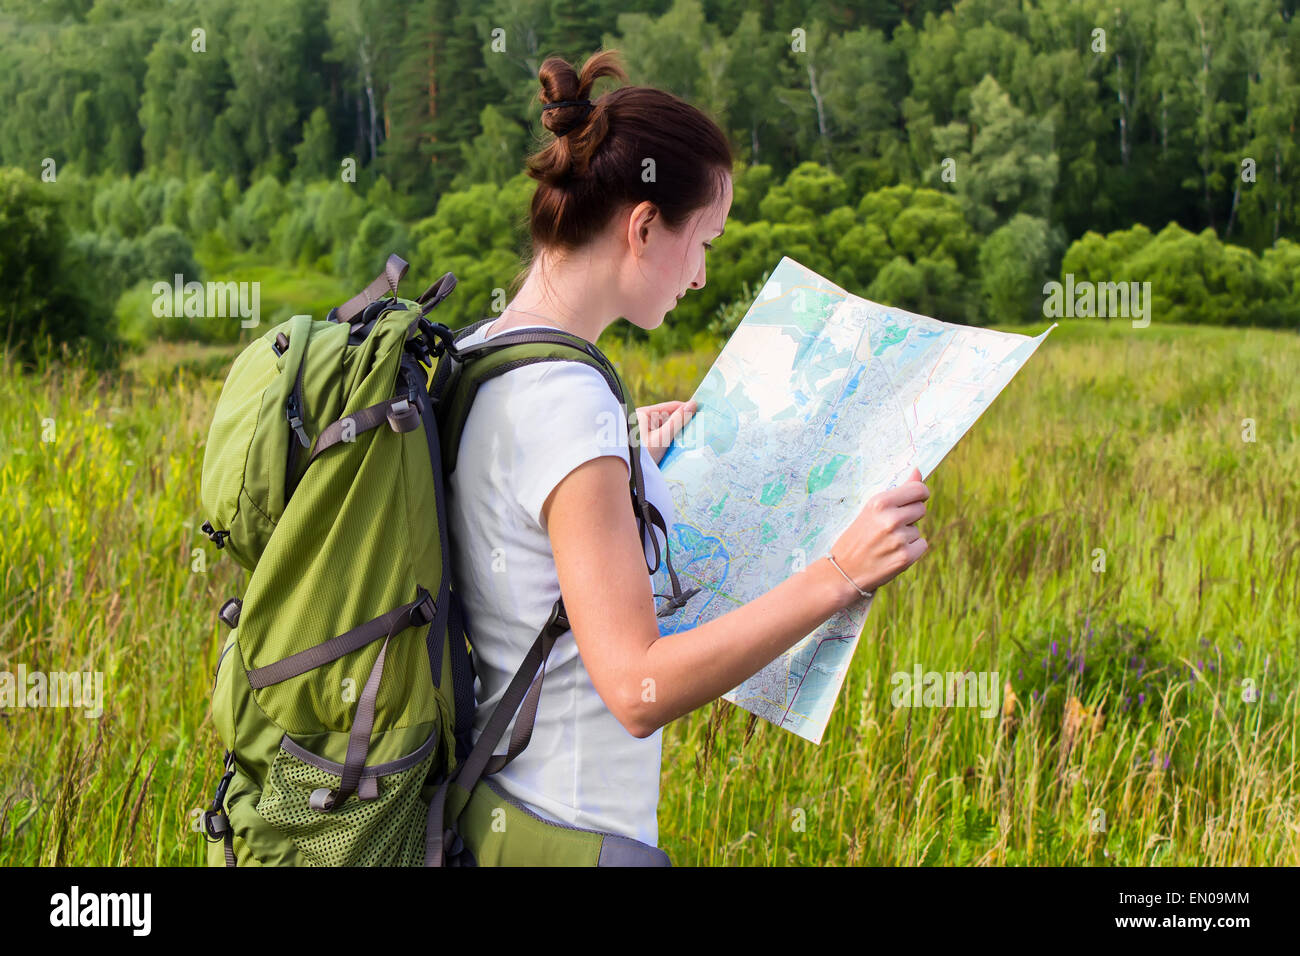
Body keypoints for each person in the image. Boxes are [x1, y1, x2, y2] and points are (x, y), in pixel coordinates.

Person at [446, 50, 930, 853]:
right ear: (642, 226)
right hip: (575, 833)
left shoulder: (483, 353)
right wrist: (836, 575)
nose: (702, 275)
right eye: (703, 240)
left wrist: (627, 460)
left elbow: (518, 524)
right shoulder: (569, 410)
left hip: (495, 810)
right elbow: (639, 687)